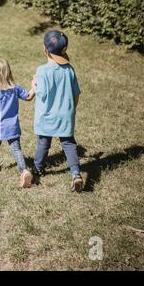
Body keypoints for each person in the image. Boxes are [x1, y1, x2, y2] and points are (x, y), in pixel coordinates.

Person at [32, 30, 83, 192]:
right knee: (68, 144)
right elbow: (76, 94)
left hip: (47, 116)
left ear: (45, 49)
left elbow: (42, 94)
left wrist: (34, 85)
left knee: (43, 143)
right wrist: (71, 110)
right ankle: (76, 174)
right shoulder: (70, 70)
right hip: (65, 116)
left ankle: (37, 169)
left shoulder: (42, 71)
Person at [0, 58, 35, 188]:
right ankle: (24, 171)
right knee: (16, 149)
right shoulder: (15, 89)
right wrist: (34, 87)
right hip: (12, 127)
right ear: (8, 72)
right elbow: (28, 97)